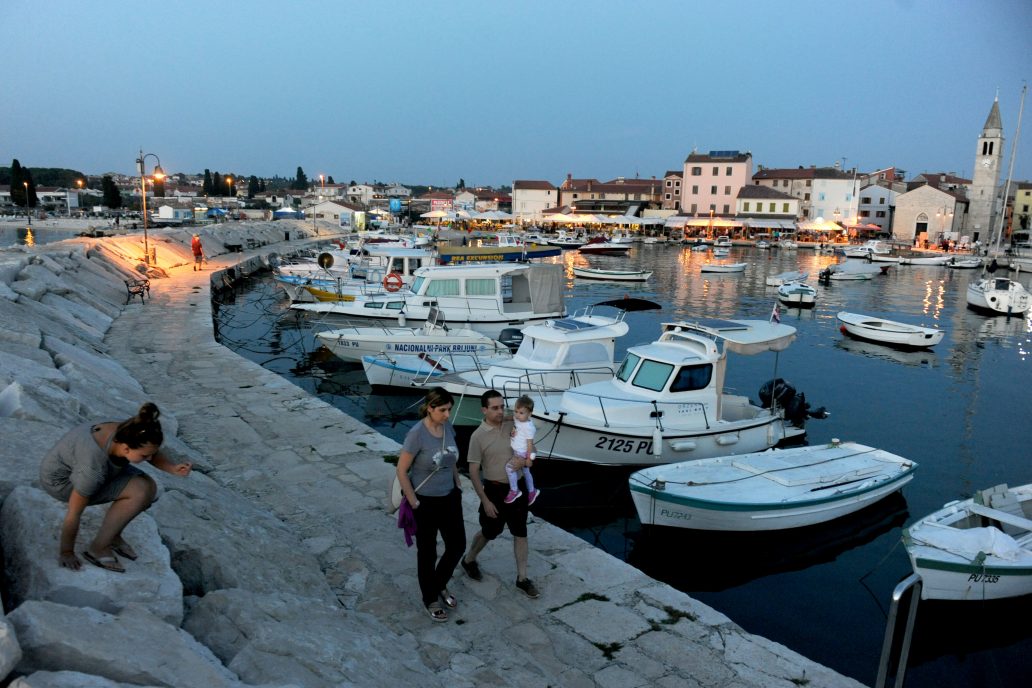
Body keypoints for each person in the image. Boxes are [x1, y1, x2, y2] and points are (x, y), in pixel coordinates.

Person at [39, 402, 192, 573]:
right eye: (144, 456)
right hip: (63, 483)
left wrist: (171, 467)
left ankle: (112, 536)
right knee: (140, 492)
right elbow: (74, 514)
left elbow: (151, 450)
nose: (149, 459)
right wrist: (66, 552)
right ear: (126, 448)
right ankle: (98, 549)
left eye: (151, 454)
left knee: (149, 486)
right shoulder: (93, 468)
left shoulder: (130, 430)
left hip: (91, 467)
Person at [460, 390, 540, 600]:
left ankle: (522, 578)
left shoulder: (514, 424)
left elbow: (533, 450)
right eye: (494, 408)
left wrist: (525, 461)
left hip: (518, 487)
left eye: (502, 406)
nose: (500, 411)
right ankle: (469, 559)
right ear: (484, 410)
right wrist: (484, 501)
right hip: (494, 490)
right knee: (490, 531)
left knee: (520, 531)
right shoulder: (477, 436)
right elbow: (474, 472)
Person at [396, 387, 465, 622]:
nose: (447, 415)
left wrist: (457, 484)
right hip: (424, 501)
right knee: (428, 552)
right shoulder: (416, 434)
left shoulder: (447, 426)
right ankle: (430, 597)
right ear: (430, 408)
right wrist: (414, 501)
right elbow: (401, 469)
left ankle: (439, 583)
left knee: (457, 545)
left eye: (449, 410)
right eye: (443, 410)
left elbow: (451, 457)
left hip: (450, 496)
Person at [505, 395, 539, 505]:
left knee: (509, 468)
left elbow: (530, 444)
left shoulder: (529, 427)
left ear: (530, 414)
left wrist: (528, 459)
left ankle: (514, 490)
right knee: (526, 472)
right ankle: (532, 491)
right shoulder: (518, 419)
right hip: (517, 451)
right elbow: (512, 417)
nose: (517, 415)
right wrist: (504, 418)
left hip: (523, 452)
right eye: (516, 411)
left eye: (521, 413)